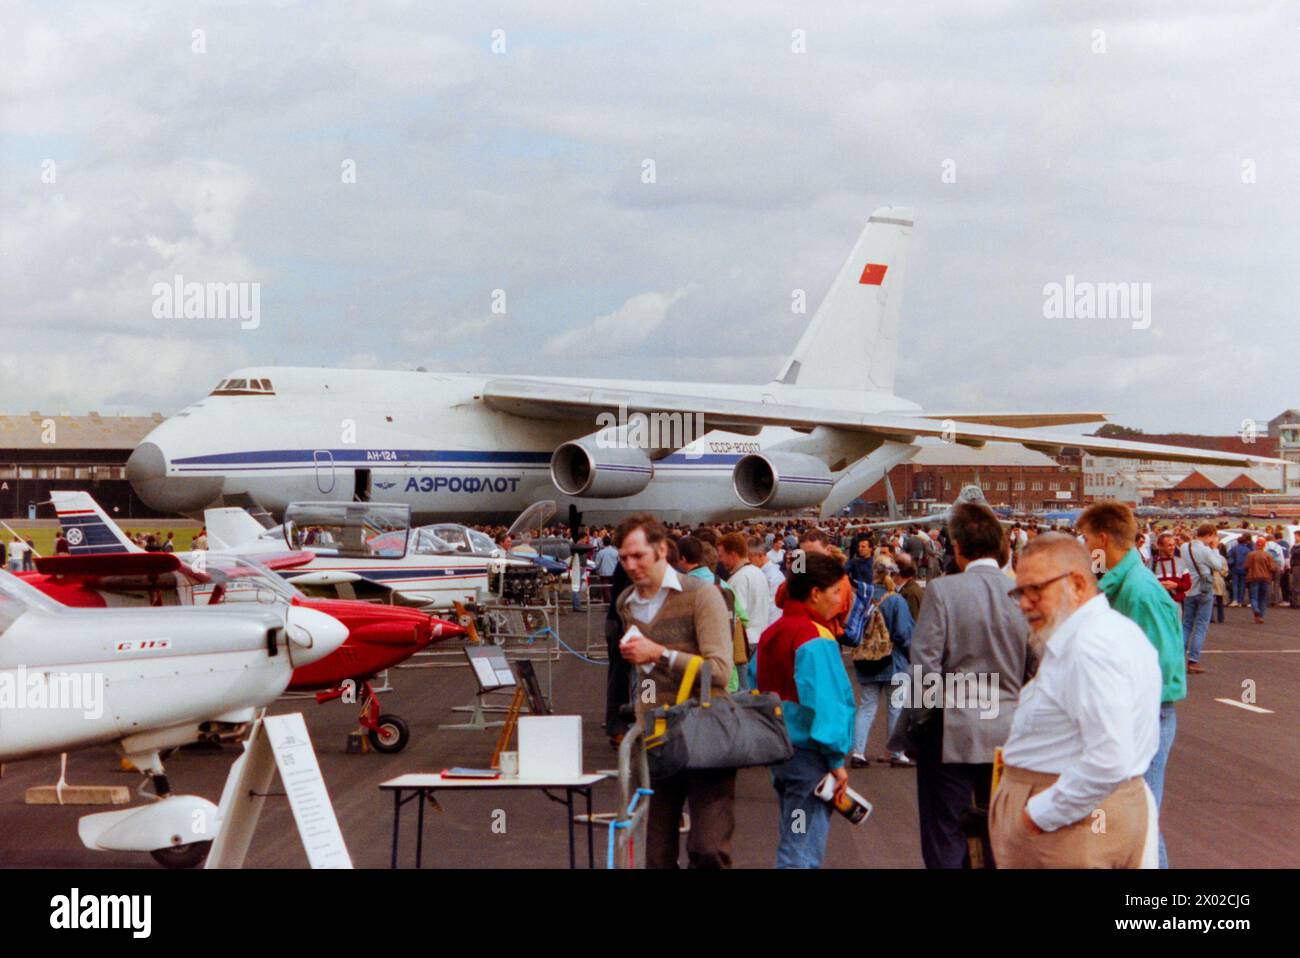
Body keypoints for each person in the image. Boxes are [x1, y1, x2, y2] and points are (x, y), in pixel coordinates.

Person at [990, 533, 1160, 868]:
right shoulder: (1096, 634)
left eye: (1036, 590)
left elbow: (1110, 757)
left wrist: (1040, 814)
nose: (1025, 603)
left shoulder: (1089, 647)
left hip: (1071, 830)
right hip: (1078, 820)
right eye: (1020, 592)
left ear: (1078, 584)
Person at [890, 502, 1031, 869]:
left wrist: (919, 724)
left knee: (945, 829)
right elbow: (1039, 667)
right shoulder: (1022, 593)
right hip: (1009, 729)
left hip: (953, 726)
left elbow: (925, 667)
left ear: (957, 547)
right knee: (1000, 828)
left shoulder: (943, 591)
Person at [614, 513, 734, 869]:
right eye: (623, 557)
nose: (631, 565)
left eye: (639, 556)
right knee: (657, 854)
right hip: (657, 737)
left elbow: (721, 672)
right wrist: (641, 714)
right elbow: (645, 678)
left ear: (662, 550)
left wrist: (661, 654)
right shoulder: (626, 604)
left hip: (706, 730)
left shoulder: (702, 595)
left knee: (709, 848)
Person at [1078, 502, 1184, 868]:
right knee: (1131, 822)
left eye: (1086, 539)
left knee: (1140, 823)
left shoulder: (1139, 593)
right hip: (1130, 718)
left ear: (1103, 539)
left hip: (1143, 720)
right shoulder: (1118, 587)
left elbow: (1161, 673)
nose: (1084, 546)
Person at [750, 552, 856, 868]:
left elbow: (754, 684)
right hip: (810, 755)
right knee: (801, 849)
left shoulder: (773, 632)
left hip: (781, 749)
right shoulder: (814, 636)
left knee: (793, 834)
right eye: (835, 592)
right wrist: (836, 760)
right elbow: (826, 704)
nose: (839, 599)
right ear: (815, 593)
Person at [848, 559, 914, 768]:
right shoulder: (896, 600)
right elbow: (904, 633)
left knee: (867, 706)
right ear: (892, 575)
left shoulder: (862, 599)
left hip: (867, 659)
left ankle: (858, 752)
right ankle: (896, 752)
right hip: (894, 660)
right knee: (896, 706)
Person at [718, 533, 773, 667]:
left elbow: (737, 617)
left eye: (721, 556)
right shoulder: (758, 572)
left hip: (746, 643)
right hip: (759, 639)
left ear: (732, 555)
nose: (720, 560)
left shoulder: (738, 579)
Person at [1180, 524, 1225, 674]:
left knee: (1186, 624)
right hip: (1204, 588)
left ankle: (1178, 657)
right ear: (1210, 534)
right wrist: (1215, 548)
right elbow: (1218, 565)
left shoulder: (1184, 547)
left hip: (1189, 589)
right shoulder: (1205, 550)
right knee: (1201, 625)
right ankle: (1193, 660)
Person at [1244, 538, 1277, 624]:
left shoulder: (1250, 554)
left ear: (1256, 545)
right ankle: (1261, 616)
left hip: (1253, 578)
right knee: (1262, 598)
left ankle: (1256, 609)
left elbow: (1246, 566)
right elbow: (1272, 568)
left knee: (1253, 597)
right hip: (1265, 578)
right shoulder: (1268, 555)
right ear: (1264, 545)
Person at [1227, 533, 1252, 607]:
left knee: (1235, 584)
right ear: (1245, 542)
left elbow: (1229, 556)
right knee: (1242, 585)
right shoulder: (1248, 550)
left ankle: (1235, 600)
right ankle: (1241, 600)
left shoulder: (1234, 548)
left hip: (1235, 568)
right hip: (1244, 569)